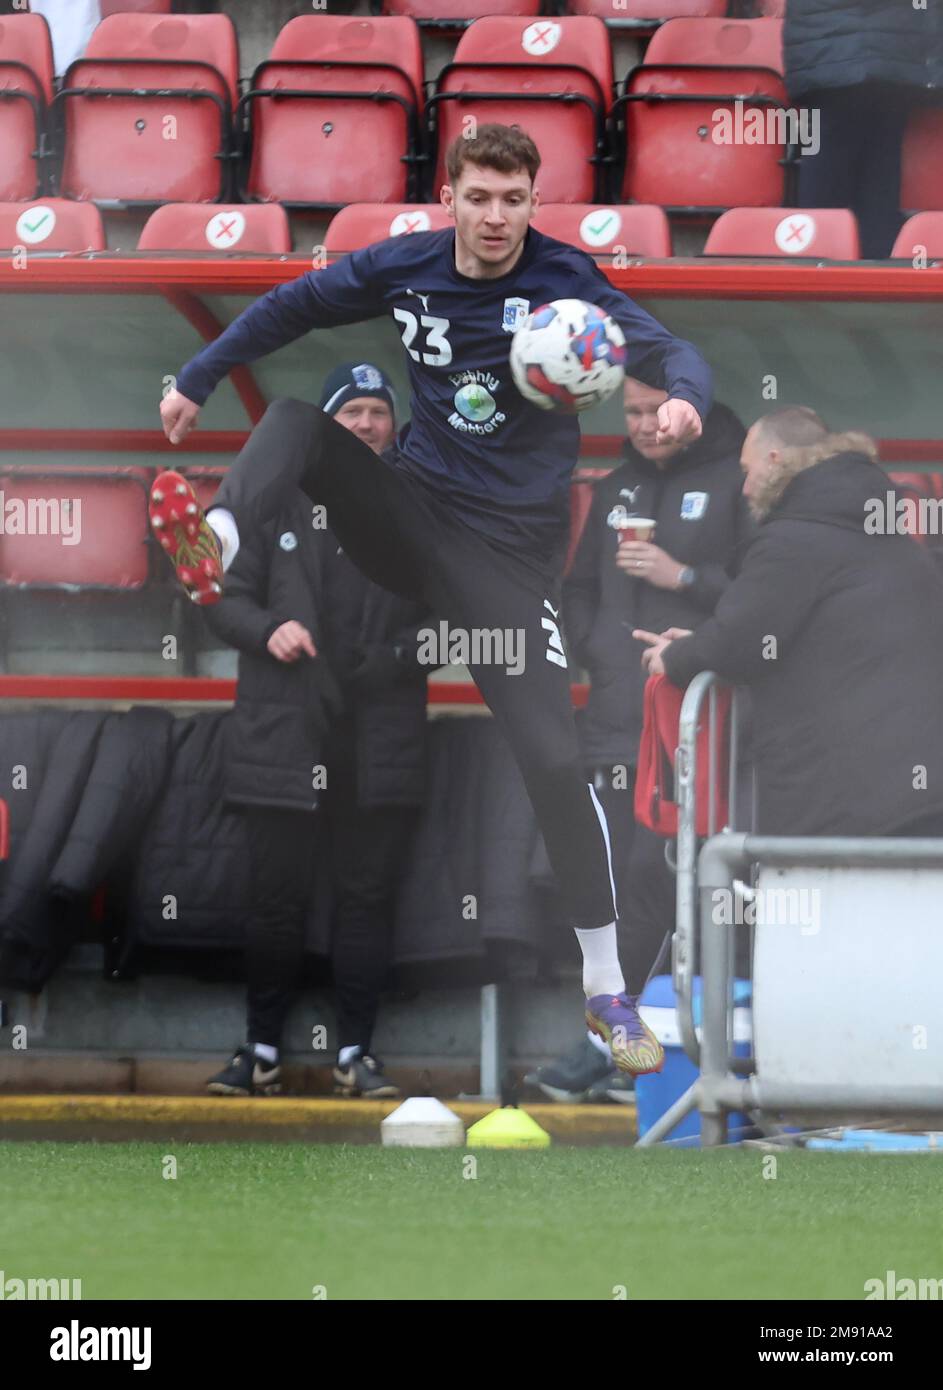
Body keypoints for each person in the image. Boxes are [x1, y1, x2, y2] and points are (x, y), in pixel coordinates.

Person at [152, 123, 714, 1078]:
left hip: (501, 568)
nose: (495, 219)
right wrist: (197, 375)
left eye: (513, 200)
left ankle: (604, 988)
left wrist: (684, 400)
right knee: (293, 416)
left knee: (550, 759)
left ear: (534, 203)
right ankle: (224, 540)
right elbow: (291, 306)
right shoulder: (403, 266)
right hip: (407, 519)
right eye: (479, 198)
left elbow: (667, 348)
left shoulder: (566, 283)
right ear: (448, 197)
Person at [203, 363, 431, 1098]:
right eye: (350, 412)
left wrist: (394, 657)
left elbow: (456, 626)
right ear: (325, 426)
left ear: (393, 425)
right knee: (274, 899)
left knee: (365, 899)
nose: (365, 424)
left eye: (376, 412)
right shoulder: (272, 501)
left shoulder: (417, 505)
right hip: (286, 734)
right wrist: (268, 630)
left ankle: (354, 1054)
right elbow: (217, 597)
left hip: (378, 738)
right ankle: (260, 1050)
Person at [527, 379, 752, 1102]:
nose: (644, 426)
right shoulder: (617, 486)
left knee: (672, 882)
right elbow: (580, 588)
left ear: (688, 409)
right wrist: (596, 641)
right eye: (629, 413)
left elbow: (760, 596)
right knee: (617, 880)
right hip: (617, 721)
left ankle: (647, 1048)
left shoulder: (736, 480)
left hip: (700, 728)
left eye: (656, 411)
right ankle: (626, 1048)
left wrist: (680, 576)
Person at [637, 406, 943, 837]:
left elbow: (741, 642)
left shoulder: (794, 537)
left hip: (847, 801)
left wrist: (676, 657)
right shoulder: (882, 535)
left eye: (747, 470)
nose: (744, 487)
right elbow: (806, 633)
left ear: (775, 461)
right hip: (914, 793)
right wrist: (705, 640)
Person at [784, 0, 943, 259]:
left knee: (849, 178)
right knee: (870, 180)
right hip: (867, 49)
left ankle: (822, 271)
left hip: (842, 51)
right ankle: (858, 273)